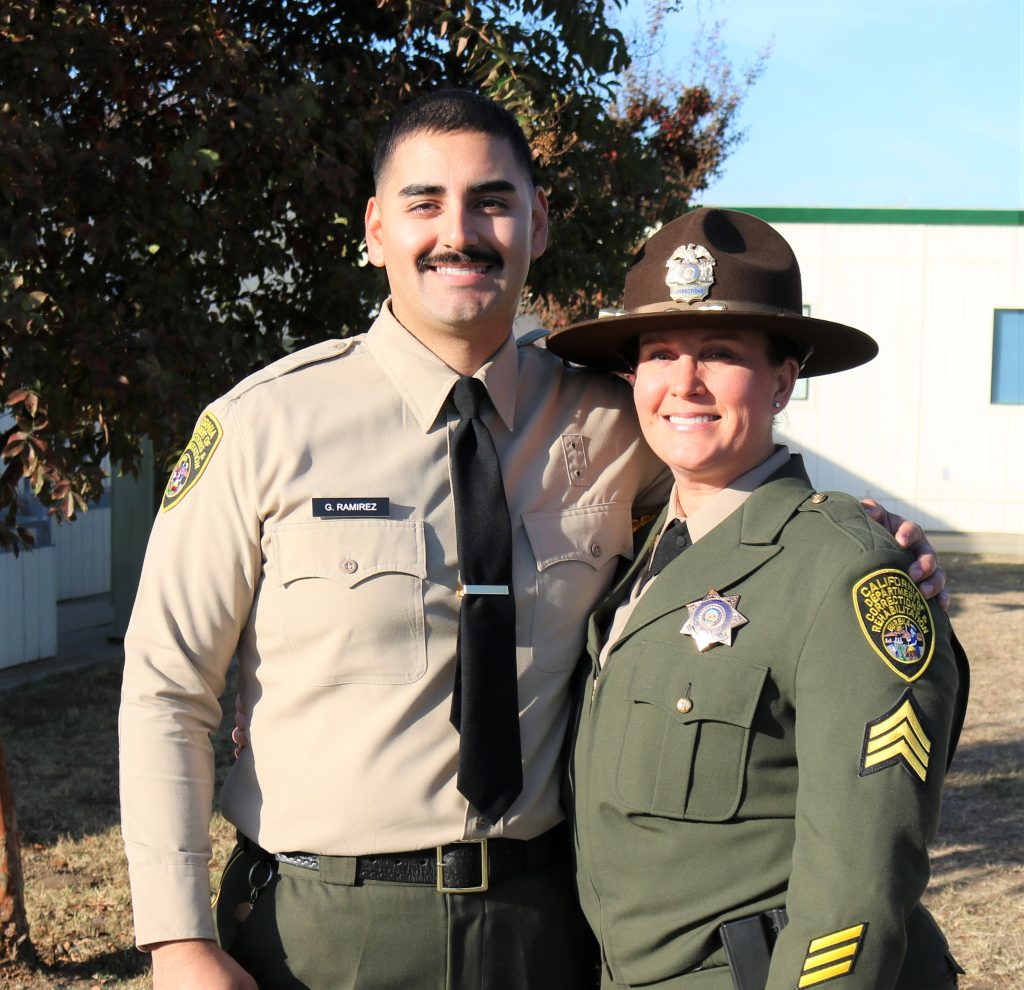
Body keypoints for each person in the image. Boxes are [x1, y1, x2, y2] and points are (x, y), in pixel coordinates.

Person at [118, 92, 946, 990]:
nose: (459, 233)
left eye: (494, 202)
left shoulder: (615, 417)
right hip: (322, 932)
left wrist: (870, 543)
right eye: (424, 203)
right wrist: (177, 941)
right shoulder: (261, 428)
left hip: (546, 926)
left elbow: (739, 501)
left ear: (537, 223)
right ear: (374, 229)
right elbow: (167, 689)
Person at [546, 207, 968, 989]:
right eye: (659, 353)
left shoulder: (847, 572)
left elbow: (860, 887)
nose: (683, 384)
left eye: (719, 354)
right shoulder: (632, 554)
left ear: (782, 380)